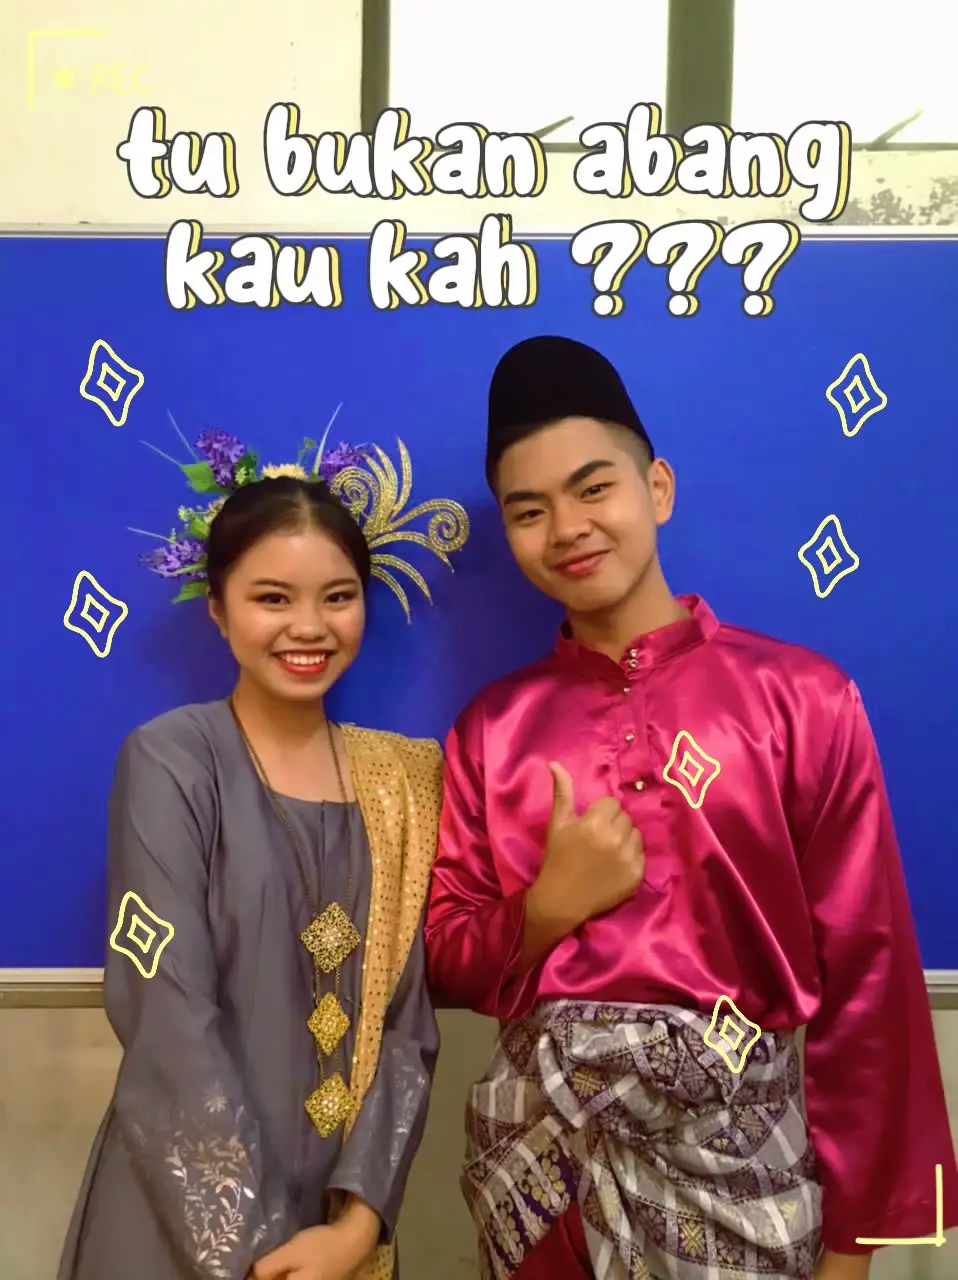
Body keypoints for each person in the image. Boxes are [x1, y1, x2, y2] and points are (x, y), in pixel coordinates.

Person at [424, 335, 958, 1280]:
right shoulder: (491, 732)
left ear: (657, 489)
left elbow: (869, 979)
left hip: (747, 1183)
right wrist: (546, 908)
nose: (568, 528)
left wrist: (853, 1249)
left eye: (594, 488)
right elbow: (442, 960)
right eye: (529, 510)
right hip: (546, 1187)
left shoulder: (803, 702)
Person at [59, 429, 468, 1280]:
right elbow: (165, 1017)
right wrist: (253, 1251)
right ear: (218, 609)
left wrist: (357, 1228)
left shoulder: (401, 783)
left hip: (340, 1231)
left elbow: (406, 1030)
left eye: (338, 597)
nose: (308, 627)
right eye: (272, 598)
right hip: (181, 1218)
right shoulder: (173, 761)